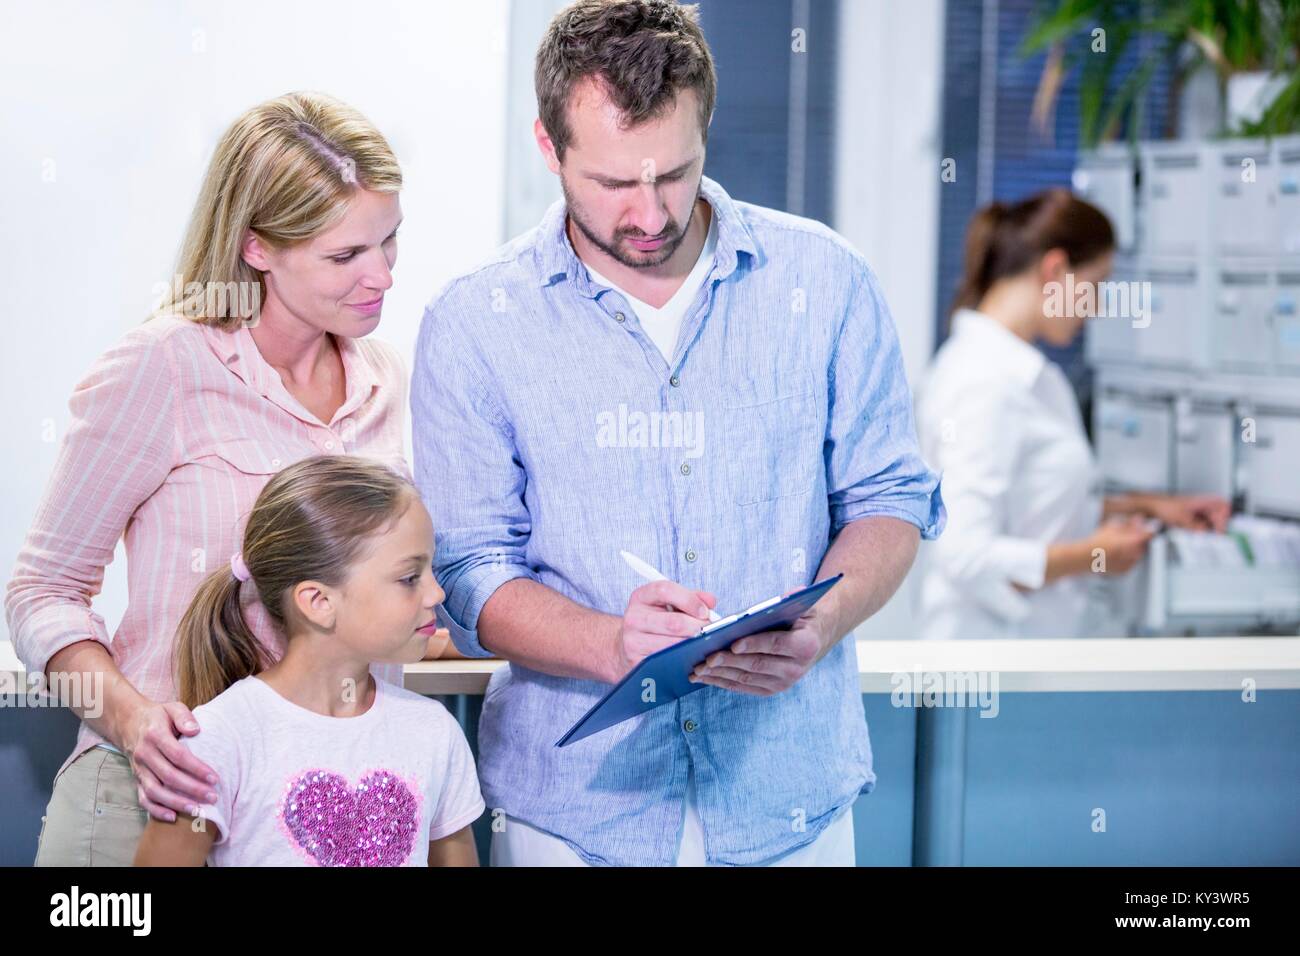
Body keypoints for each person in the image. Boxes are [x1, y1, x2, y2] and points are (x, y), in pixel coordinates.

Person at [413, 0, 945, 866]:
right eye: (614, 184)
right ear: (547, 148)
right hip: (575, 814)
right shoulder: (475, 324)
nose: (652, 214)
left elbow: (889, 498)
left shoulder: (828, 281)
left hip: (790, 797)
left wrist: (829, 616)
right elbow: (471, 567)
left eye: (676, 173)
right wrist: (608, 645)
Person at [6, 91, 452, 867]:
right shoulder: (163, 367)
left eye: (390, 241)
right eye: (345, 255)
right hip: (155, 796)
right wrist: (134, 721)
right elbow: (40, 592)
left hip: (312, 808)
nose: (380, 275)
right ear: (256, 248)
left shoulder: (387, 383)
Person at [131, 456, 482, 867]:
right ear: (319, 602)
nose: (437, 594)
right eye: (410, 577)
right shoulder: (220, 739)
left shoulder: (434, 733)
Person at [915, 189, 1230, 641]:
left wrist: (1150, 506)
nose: (1098, 307)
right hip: (988, 661)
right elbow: (964, 553)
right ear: (1056, 270)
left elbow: (1033, 499)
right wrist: (1093, 555)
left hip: (1030, 660)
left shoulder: (1030, 374)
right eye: (1097, 285)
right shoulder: (983, 382)